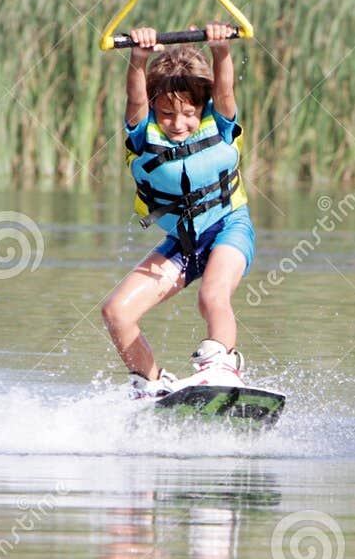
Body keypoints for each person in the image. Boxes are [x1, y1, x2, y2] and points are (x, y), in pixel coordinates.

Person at [100, 21, 255, 398]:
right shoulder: (143, 132)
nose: (178, 123)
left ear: (202, 108)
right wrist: (138, 59)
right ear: (155, 109)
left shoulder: (218, 122)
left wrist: (221, 50)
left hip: (228, 229)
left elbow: (226, 91)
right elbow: (135, 101)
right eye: (167, 114)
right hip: (183, 242)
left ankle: (221, 369)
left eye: (188, 113)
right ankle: (152, 386)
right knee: (116, 312)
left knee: (212, 296)